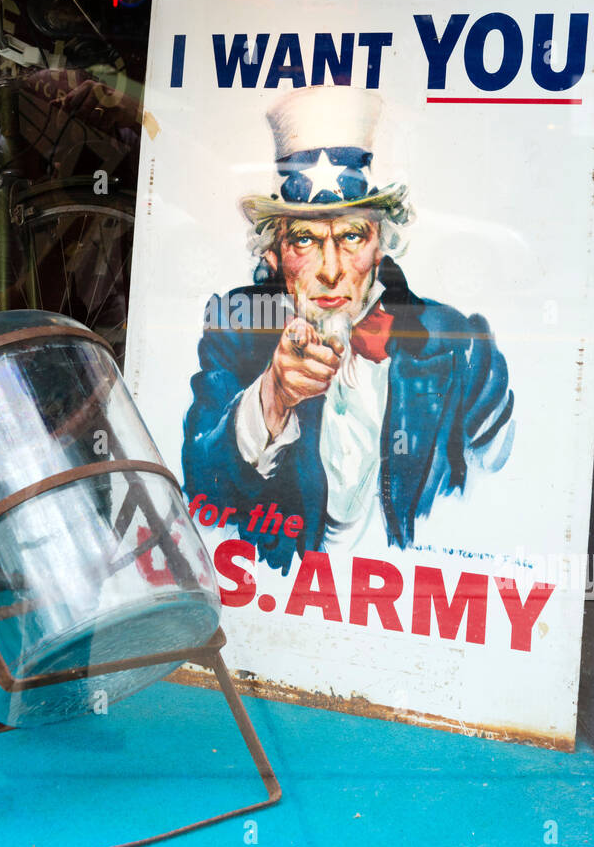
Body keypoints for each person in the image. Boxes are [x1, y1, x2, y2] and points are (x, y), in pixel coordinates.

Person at [182, 85, 514, 574]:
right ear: (273, 254)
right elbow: (201, 487)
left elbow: (499, 506)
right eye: (305, 240)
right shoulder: (236, 325)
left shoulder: (461, 345)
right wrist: (272, 396)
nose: (331, 270)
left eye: (352, 236)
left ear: (382, 244)